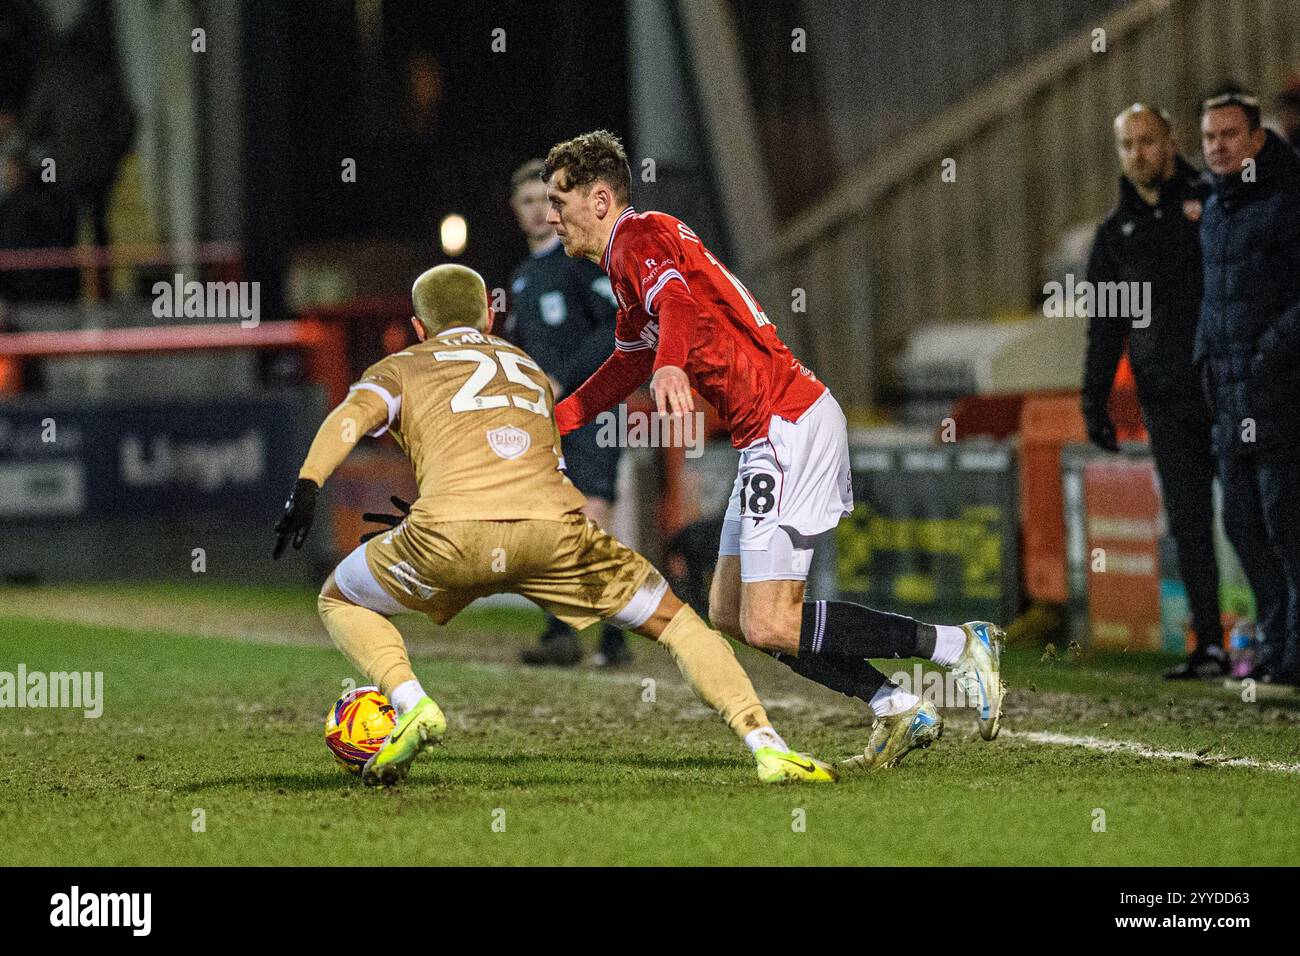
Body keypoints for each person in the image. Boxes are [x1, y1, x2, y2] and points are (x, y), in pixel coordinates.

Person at [271, 263, 838, 786]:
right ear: (491, 317)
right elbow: (545, 461)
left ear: (419, 328)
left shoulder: (401, 365)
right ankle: (766, 745)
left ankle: (410, 700)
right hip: (555, 533)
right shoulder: (529, 370)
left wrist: (307, 486)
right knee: (681, 626)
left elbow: (349, 418)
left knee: (339, 598)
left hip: (450, 534)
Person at [542, 130, 1004, 769]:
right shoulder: (627, 269)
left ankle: (955, 644)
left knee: (769, 621)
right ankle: (898, 705)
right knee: (730, 612)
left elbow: (674, 304)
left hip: (788, 422)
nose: (550, 217)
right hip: (767, 431)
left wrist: (672, 367)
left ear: (599, 199)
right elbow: (628, 359)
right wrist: (560, 418)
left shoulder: (639, 237)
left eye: (559, 202)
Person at [1082, 104, 1224, 679]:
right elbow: (1107, 328)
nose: (1138, 152)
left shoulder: (1210, 203)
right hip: (1165, 400)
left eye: (1147, 140)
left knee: (1258, 517)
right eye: (1127, 144)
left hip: (1228, 392)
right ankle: (1210, 645)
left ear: (1171, 142)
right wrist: (1094, 402)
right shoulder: (1115, 237)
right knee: (1190, 522)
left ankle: (1279, 641)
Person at [502, 158, 630, 668]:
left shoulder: (579, 263)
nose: (539, 212)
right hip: (546, 419)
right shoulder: (522, 278)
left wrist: (562, 377)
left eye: (547, 202)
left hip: (593, 410)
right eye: (529, 202)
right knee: (558, 524)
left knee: (592, 520)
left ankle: (615, 637)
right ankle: (564, 633)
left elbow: (616, 327)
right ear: (516, 209)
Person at [1196, 89, 1300, 688]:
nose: (1218, 147)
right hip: (1230, 401)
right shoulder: (1216, 209)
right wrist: (1202, 360)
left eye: (1229, 135)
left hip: (1281, 396)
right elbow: (1215, 303)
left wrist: (1271, 352)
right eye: (1209, 137)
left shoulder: (1287, 202)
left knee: (1286, 521)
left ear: (1257, 139)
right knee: (1242, 522)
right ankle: (1275, 643)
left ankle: (1293, 648)